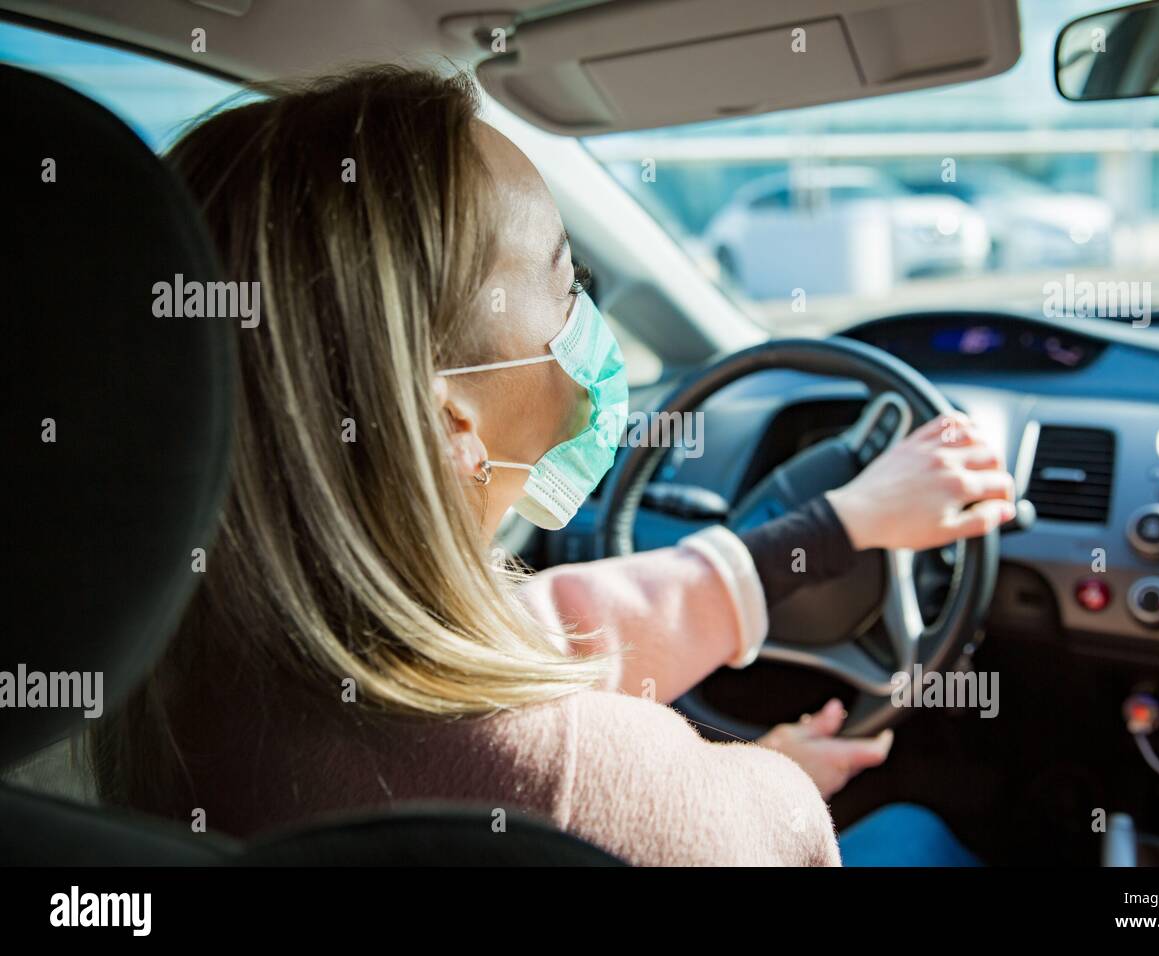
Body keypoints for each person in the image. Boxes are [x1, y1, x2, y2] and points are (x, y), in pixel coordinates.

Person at [93, 66, 1014, 866]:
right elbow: (657, 795)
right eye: (566, 284)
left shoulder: (146, 690)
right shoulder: (588, 792)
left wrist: (835, 530)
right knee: (919, 835)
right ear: (450, 415)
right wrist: (759, 787)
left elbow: (532, 635)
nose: (585, 324)